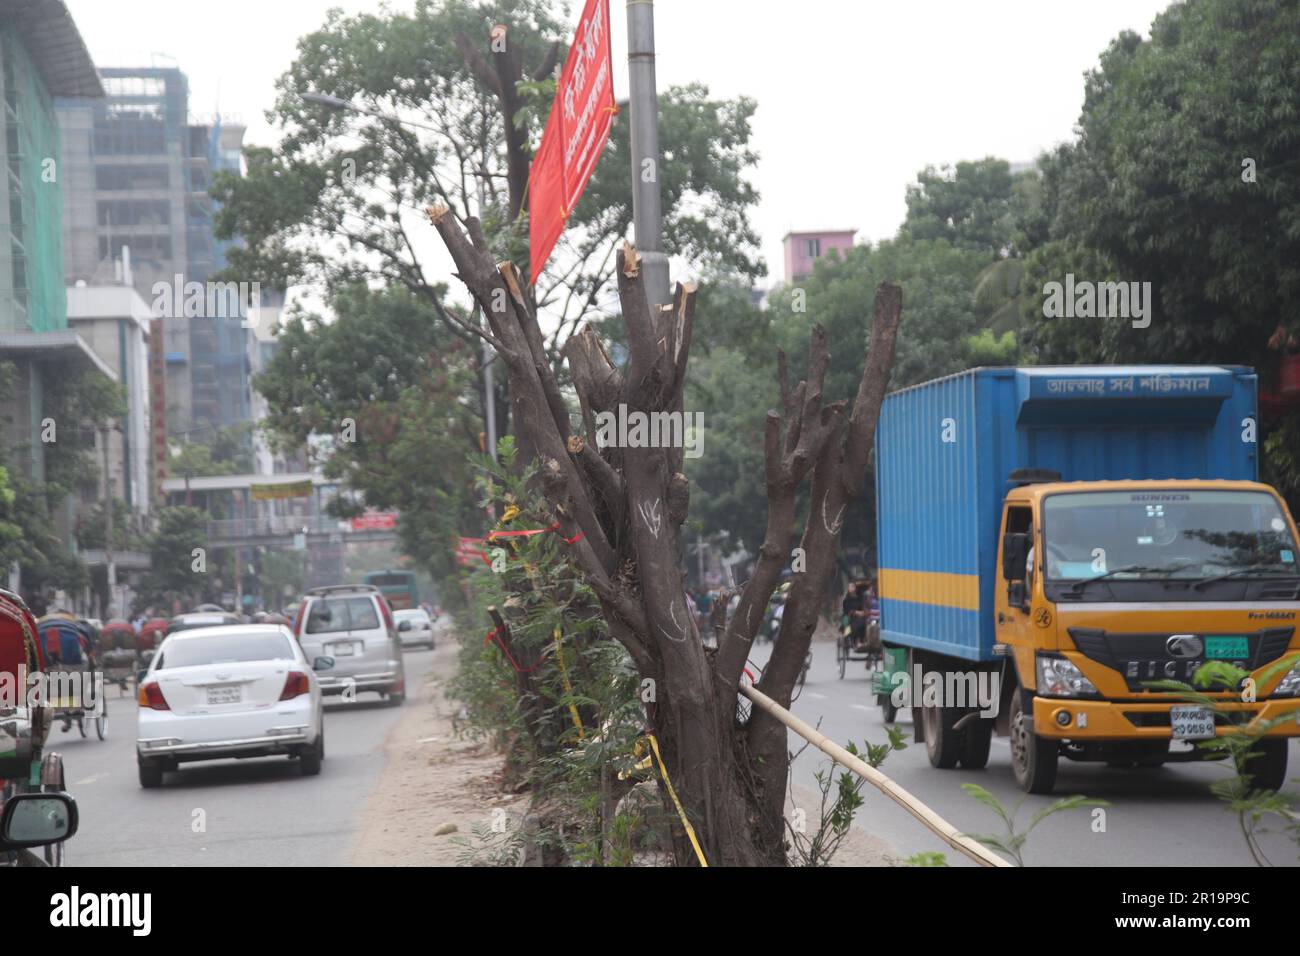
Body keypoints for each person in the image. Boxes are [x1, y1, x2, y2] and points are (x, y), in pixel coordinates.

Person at [841, 581, 867, 649]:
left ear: (855, 588)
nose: (850, 588)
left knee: (864, 623)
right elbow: (846, 610)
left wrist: (861, 612)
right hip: (848, 616)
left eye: (852, 586)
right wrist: (854, 612)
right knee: (846, 622)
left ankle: (861, 641)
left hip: (858, 617)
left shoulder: (859, 599)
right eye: (849, 587)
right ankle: (847, 638)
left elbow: (863, 608)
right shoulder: (846, 600)